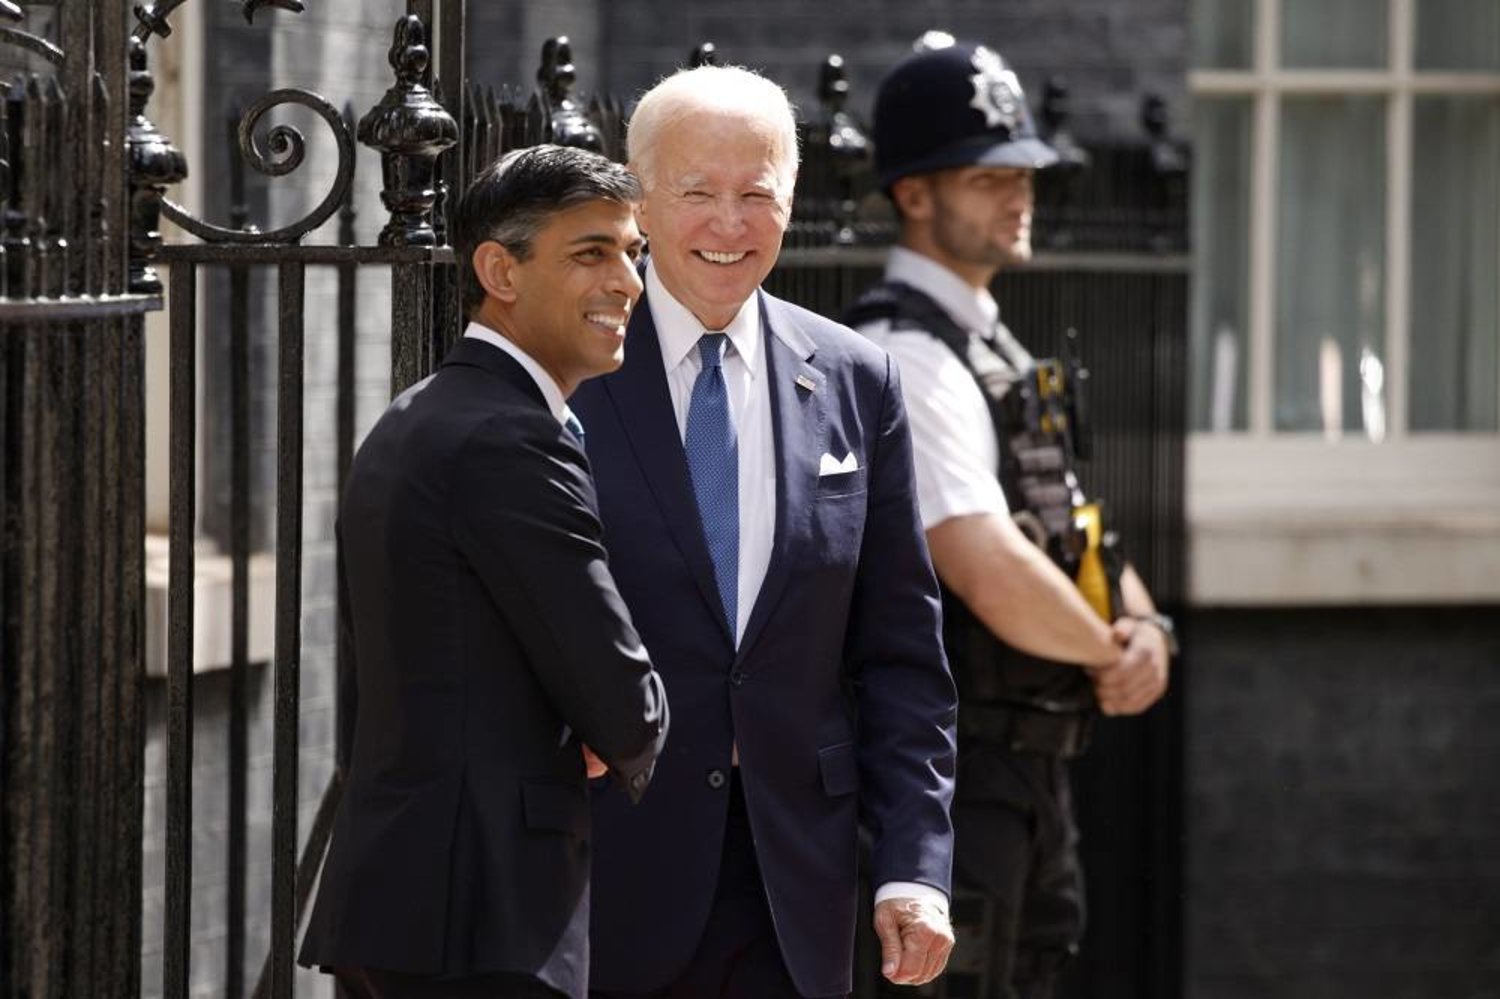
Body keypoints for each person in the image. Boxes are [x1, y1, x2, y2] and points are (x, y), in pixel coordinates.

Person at [569, 65, 958, 998]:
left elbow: (902, 654)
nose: (729, 225)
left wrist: (914, 865)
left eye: (758, 195)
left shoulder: (860, 379)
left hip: (795, 888)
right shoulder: (562, 373)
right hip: (601, 873)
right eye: (698, 193)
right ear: (640, 205)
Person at [299, 145, 670, 999]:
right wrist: (621, 725)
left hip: (414, 898)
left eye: (632, 252)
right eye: (591, 252)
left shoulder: (418, 416)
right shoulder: (510, 436)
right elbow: (622, 701)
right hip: (482, 916)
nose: (628, 282)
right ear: (499, 269)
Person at [846, 38, 1175, 999]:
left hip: (1029, 766)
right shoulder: (905, 348)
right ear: (914, 193)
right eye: (989, 176)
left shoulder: (988, 343)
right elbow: (981, 559)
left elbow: (1070, 524)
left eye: (1024, 172)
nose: (1019, 194)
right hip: (958, 768)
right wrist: (1113, 653)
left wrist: (1145, 624)